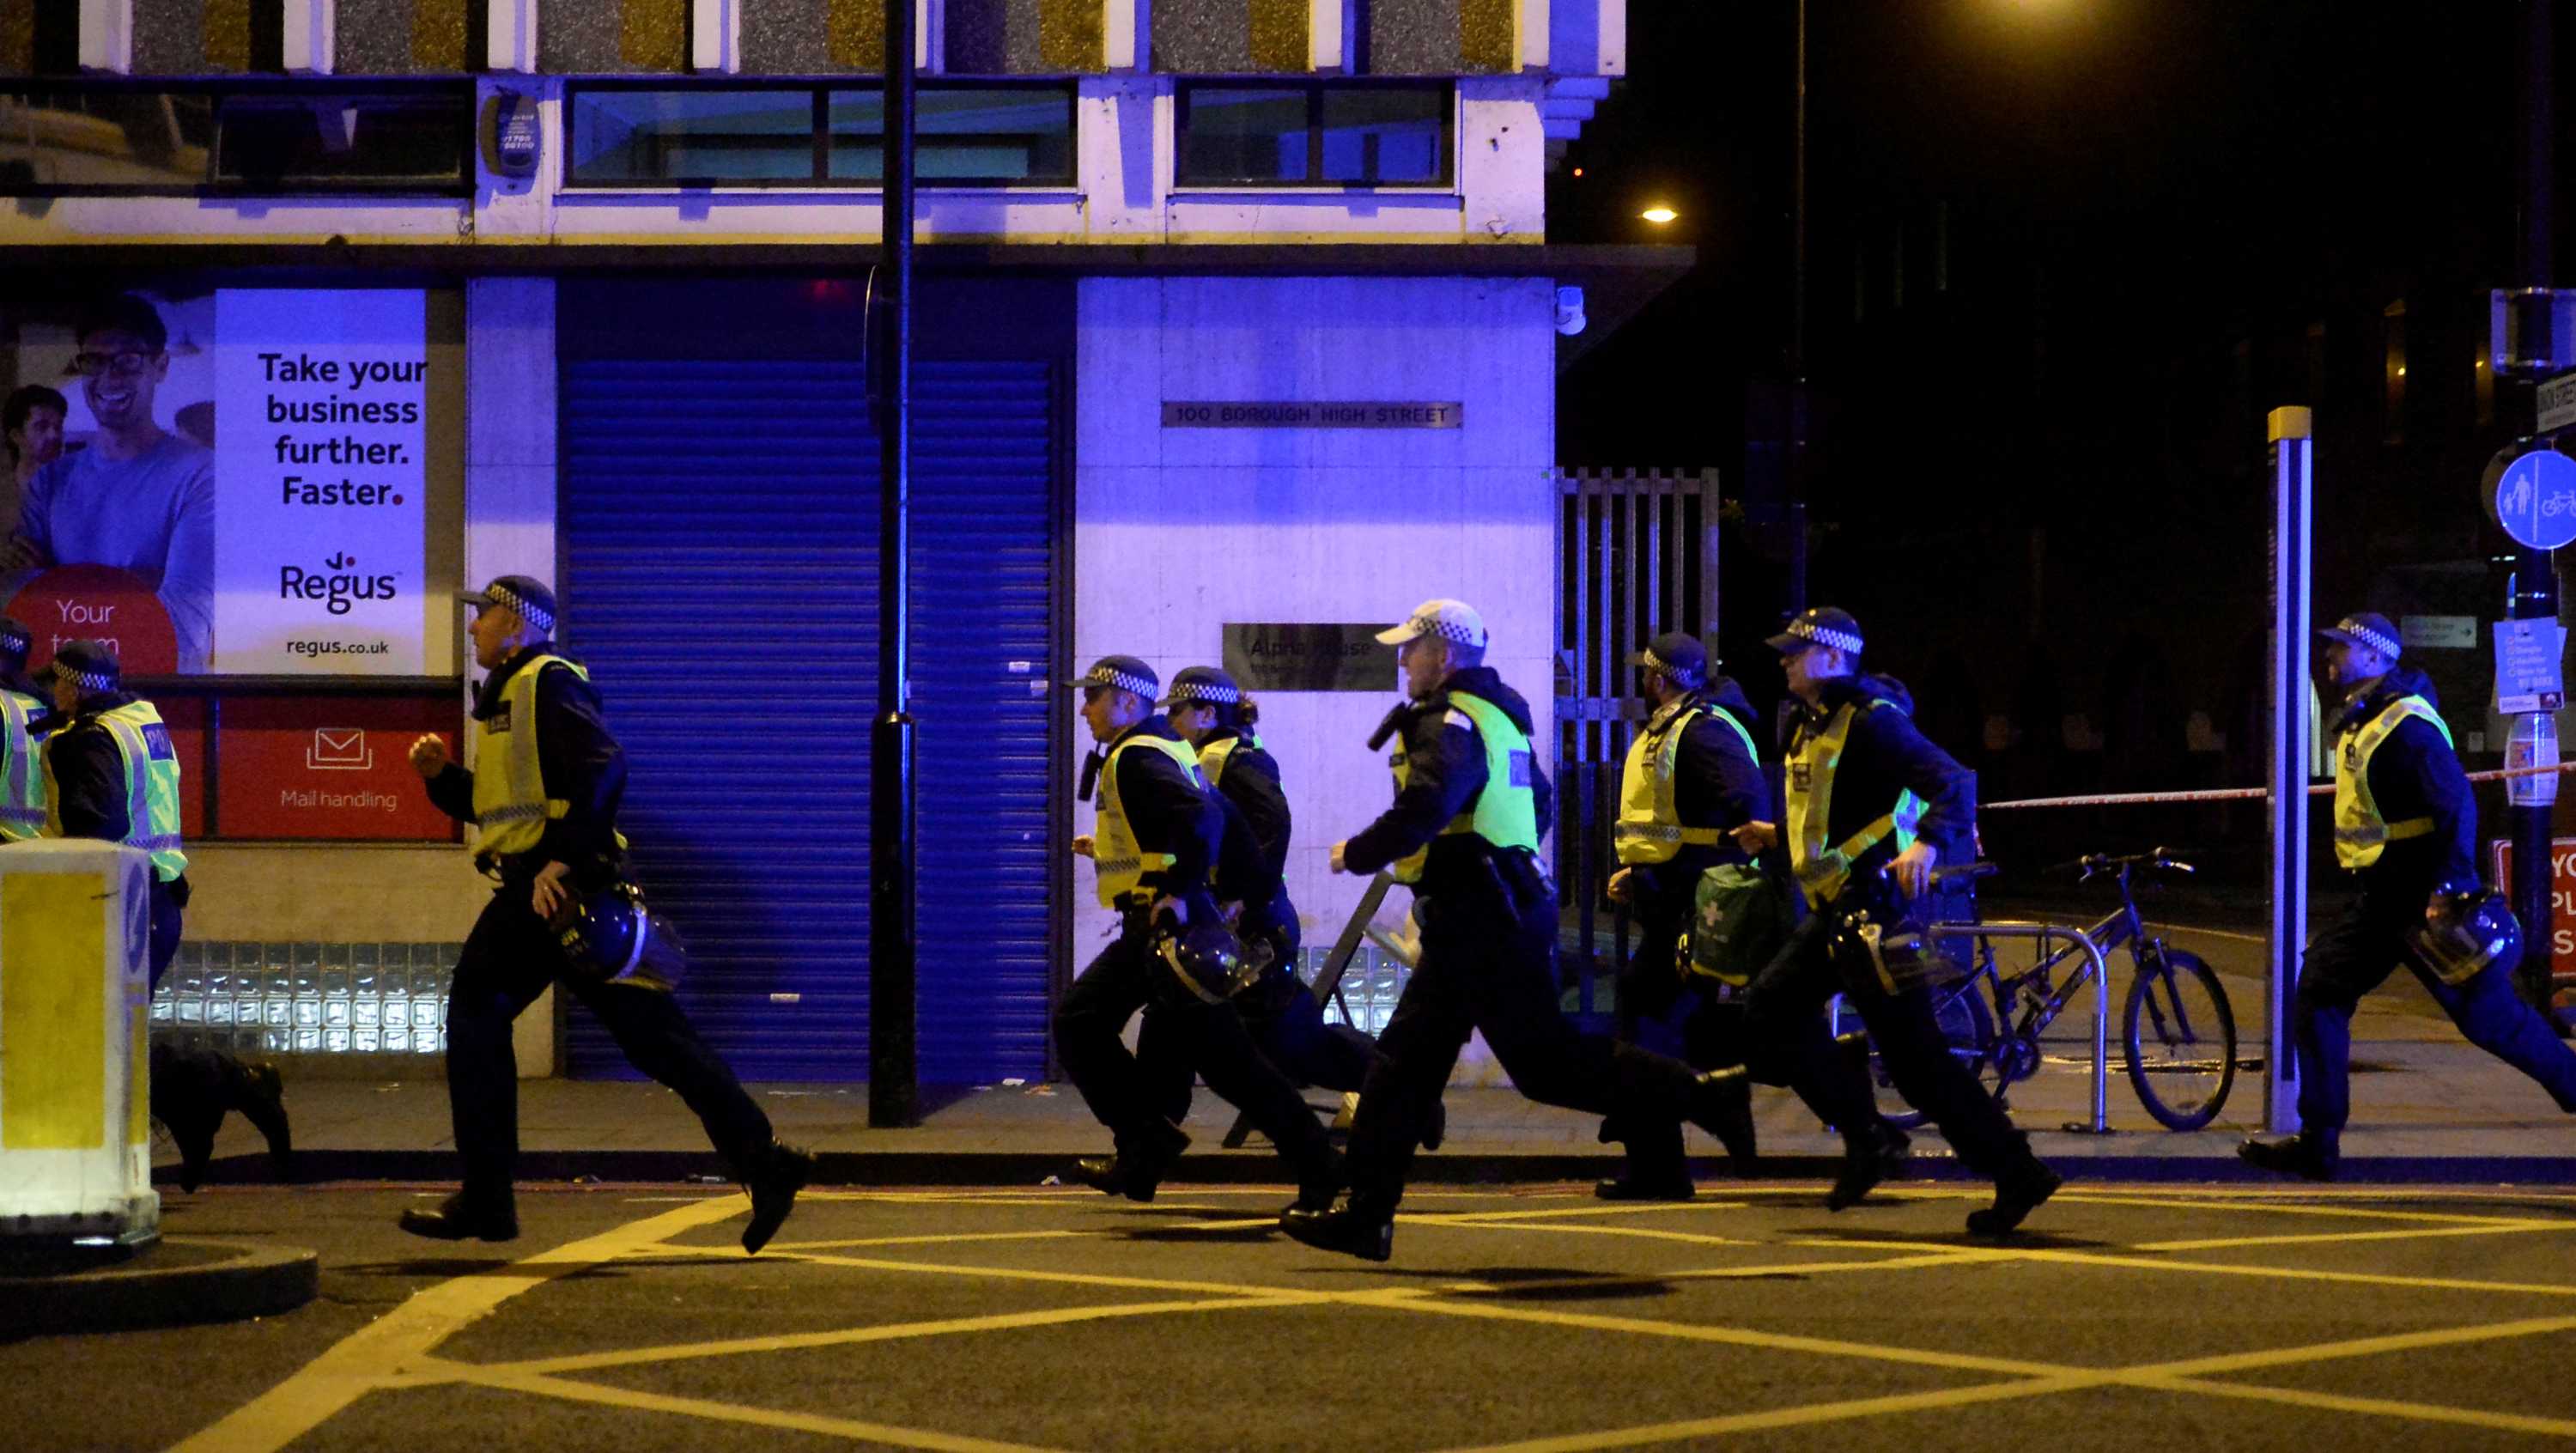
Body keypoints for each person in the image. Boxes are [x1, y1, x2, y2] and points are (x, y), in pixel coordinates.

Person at [1280, 599, 1755, 1262]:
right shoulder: (1495, 717)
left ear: (1442, 656)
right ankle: (1366, 1215)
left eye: (1409, 649)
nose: (1401, 660)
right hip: (1487, 908)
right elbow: (1538, 803)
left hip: (1483, 914)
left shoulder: (1450, 721)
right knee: (1431, 1069)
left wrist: (1357, 853)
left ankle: (1706, 1092)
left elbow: (1429, 802)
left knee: (1492, 1067)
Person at [402, 576, 814, 1250]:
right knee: (657, 1041)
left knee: (477, 1014)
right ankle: (767, 1164)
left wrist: (560, 863)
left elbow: (605, 770)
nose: (473, 627)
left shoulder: (548, 682)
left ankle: (487, 1200)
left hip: (557, 891)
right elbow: (506, 808)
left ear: (517, 624)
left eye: (484, 616)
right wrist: (442, 777)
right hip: (550, 889)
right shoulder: (508, 699)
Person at [1729, 607, 2061, 1235]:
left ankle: (2011, 1168)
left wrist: (1928, 843)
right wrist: (1776, 837)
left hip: (1876, 913)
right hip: (1839, 914)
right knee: (1769, 1011)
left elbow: (1954, 782)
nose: (1783, 661)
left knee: (1919, 1065)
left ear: (1831, 658)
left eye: (1794, 652)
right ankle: (1871, 1134)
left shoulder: (1871, 722)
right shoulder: (1812, 724)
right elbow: (1837, 818)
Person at [2243, 612, 2576, 1180]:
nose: (2330, 657)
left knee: (2492, 1021)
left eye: (2342, 649)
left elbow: (2457, 806)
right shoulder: (2367, 716)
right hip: (2385, 895)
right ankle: (2317, 1145)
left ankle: (2318, 1144)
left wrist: (2451, 888)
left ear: (2376, 658)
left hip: (2416, 894)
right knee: (2322, 992)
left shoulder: (2406, 723)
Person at [1056, 656, 1344, 1211]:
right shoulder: (1163, 748)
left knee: (1081, 1021)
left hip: (1167, 929)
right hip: (1168, 926)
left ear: (1129, 702)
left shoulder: (1139, 755)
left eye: (1095, 695)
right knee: (1225, 1063)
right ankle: (1146, 1153)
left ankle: (1151, 1139)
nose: (1085, 707)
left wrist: (1180, 892)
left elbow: (1204, 821)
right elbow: (1202, 822)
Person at [33, 637, 289, 1190]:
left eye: (57, 683)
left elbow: (96, 823)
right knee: (107, 1034)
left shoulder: (92, 739)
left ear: (75, 688)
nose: (52, 693)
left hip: (122, 902)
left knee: (99, 1036)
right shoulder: (139, 718)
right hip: (155, 898)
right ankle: (197, 1107)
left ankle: (231, 1084)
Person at [1132, 666, 1406, 1140]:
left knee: (1289, 1041)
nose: (1170, 720)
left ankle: (1400, 1092)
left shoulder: (1241, 761)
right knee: (1180, 1020)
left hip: (1255, 924)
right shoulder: (1206, 757)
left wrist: (1241, 896)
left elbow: (1274, 826)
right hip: (1230, 920)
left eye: (1177, 710)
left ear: (1205, 713)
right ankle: (1151, 1138)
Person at [1596, 630, 1771, 1201]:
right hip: (1671, 895)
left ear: (1658, 679)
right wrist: (1642, 873)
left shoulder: (1703, 732)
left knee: (1645, 1019)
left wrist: (1682, 877)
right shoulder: (1677, 728)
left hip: (1693, 901)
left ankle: (1693, 1124)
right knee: (1665, 1026)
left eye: (1646, 674)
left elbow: (1747, 809)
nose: (1642, 683)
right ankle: (1668, 1155)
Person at [18, 295, 216, 671]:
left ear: (160, 366)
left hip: (164, 710)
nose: (108, 377)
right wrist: (143, 582)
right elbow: (24, 616)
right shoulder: (50, 481)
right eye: (94, 361)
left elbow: (184, 631)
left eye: (127, 361)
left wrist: (66, 585)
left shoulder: (200, 474)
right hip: (59, 708)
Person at [2, 384, 64, 580]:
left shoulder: (74, 492)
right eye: (41, 426)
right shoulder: (4, 494)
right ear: (16, 436)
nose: (54, 436)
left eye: (58, 426)